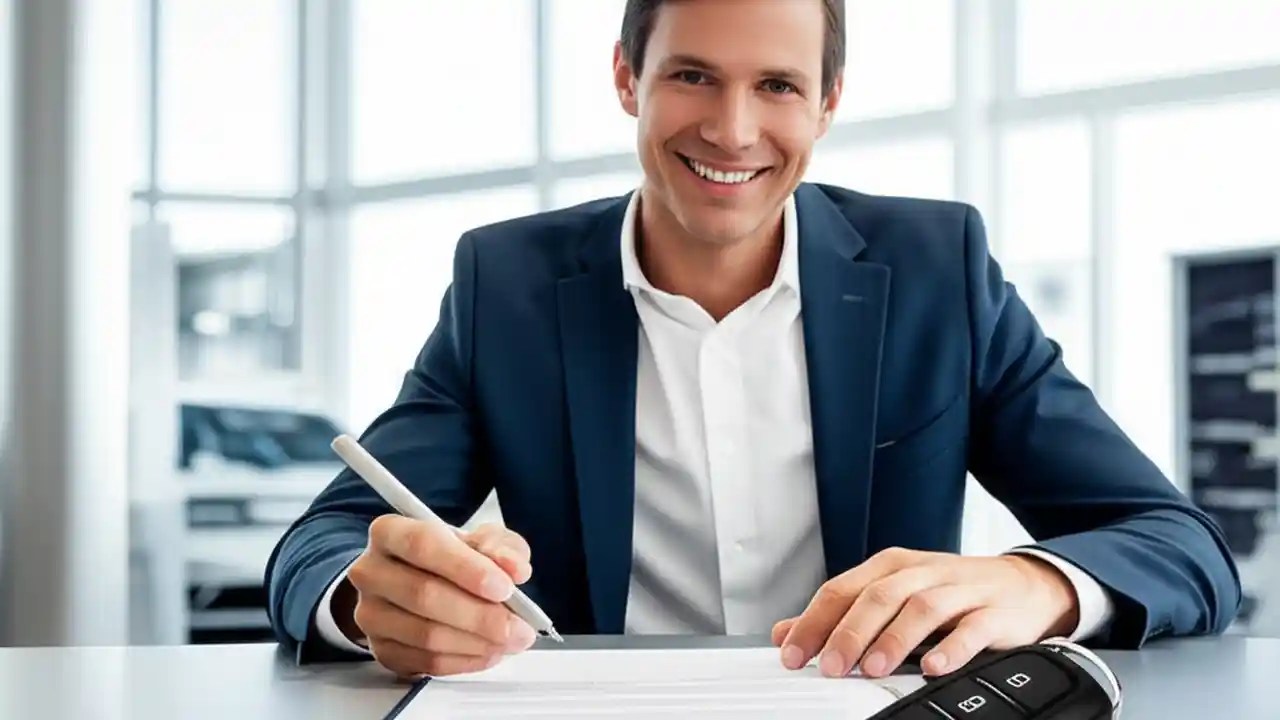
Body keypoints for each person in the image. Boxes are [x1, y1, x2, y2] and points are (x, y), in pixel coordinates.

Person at [265, 0, 1240, 680]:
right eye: (692, 75)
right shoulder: (506, 283)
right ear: (625, 78)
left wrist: (1031, 585)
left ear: (825, 102)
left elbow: (1178, 546)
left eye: (776, 85)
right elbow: (322, 544)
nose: (732, 130)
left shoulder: (937, 268)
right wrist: (366, 602)